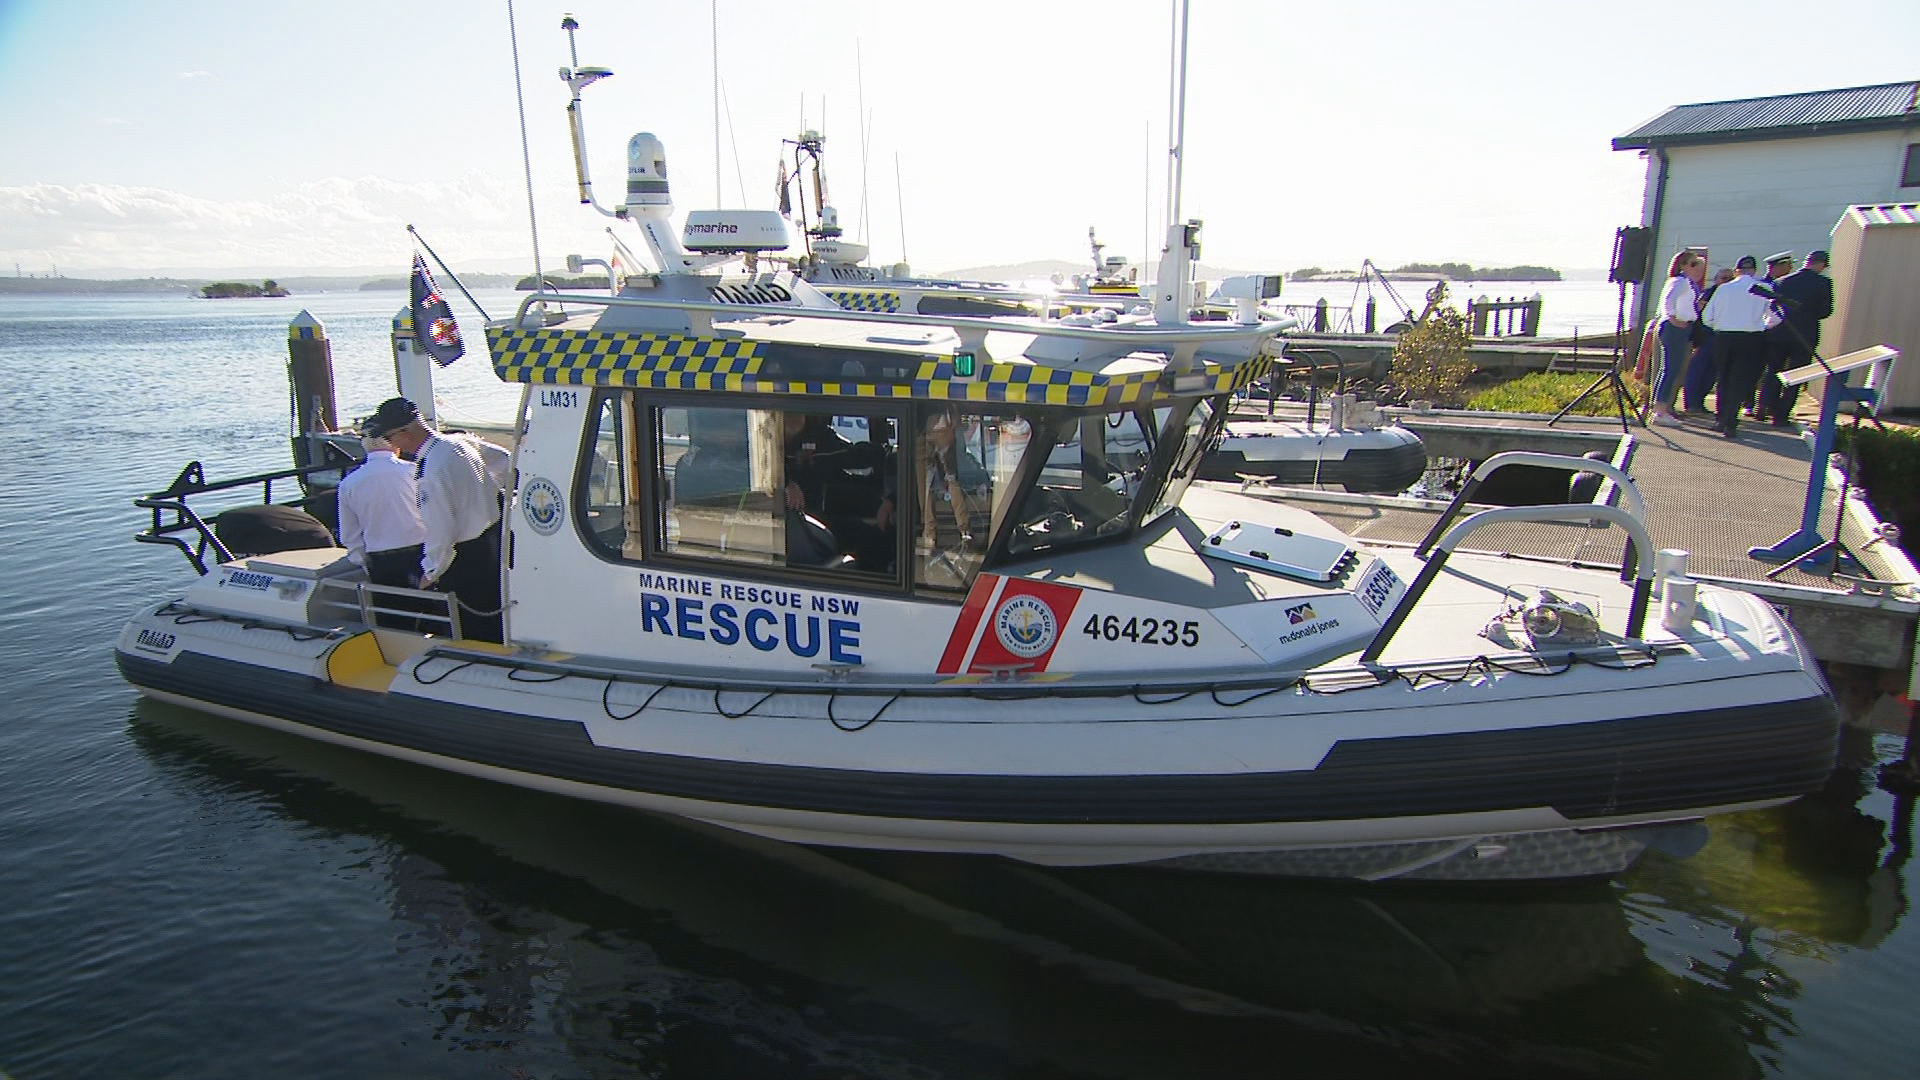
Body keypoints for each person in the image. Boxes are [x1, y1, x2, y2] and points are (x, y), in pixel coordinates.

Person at [365, 396, 504, 642]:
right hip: (493, 539)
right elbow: (505, 461)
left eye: (389, 438)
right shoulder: (459, 444)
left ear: (404, 432)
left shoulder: (431, 470)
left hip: (467, 558)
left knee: (473, 627)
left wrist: (431, 570)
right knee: (496, 616)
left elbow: (440, 529)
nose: (391, 444)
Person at [335, 431, 426, 589]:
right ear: (395, 445)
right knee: (435, 608)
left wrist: (364, 563)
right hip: (422, 550)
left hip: (381, 558)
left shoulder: (349, 483)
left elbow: (350, 535)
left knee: (390, 609)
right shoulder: (414, 471)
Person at [1757, 250, 1835, 427]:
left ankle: (1763, 408)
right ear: (1822, 264)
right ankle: (1781, 414)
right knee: (1796, 374)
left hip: (1779, 332)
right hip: (1804, 335)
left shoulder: (1781, 281)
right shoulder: (1823, 283)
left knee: (1773, 371)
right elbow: (1825, 311)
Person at [1699, 255, 1773, 438]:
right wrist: (1761, 326)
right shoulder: (1764, 289)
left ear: (1736, 270)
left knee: (1723, 377)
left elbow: (1707, 317)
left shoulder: (1723, 289)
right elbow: (1776, 316)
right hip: (1751, 338)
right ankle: (1731, 421)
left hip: (1724, 337)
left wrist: (1719, 326)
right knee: (1741, 380)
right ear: (1754, 271)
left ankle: (1720, 418)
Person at [919, 410, 990, 551]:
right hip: (945, 429)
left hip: (924, 429)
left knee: (926, 484)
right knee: (952, 480)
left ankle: (930, 533)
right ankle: (965, 530)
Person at [1649, 250, 1705, 426]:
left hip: (1681, 326)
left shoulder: (1687, 283)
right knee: (1670, 370)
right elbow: (1668, 300)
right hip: (1674, 327)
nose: (1696, 268)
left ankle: (1660, 408)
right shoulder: (1679, 281)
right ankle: (1660, 410)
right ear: (1683, 265)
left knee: (1669, 369)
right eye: (1693, 264)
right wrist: (1673, 318)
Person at [1681, 266, 1736, 415]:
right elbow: (1698, 317)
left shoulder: (1733, 294)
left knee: (1711, 374)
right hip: (1705, 337)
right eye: (1724, 278)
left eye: (1730, 279)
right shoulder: (1708, 294)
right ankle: (1691, 404)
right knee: (1697, 371)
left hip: (1722, 337)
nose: (1727, 282)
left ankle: (1700, 403)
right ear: (1716, 280)